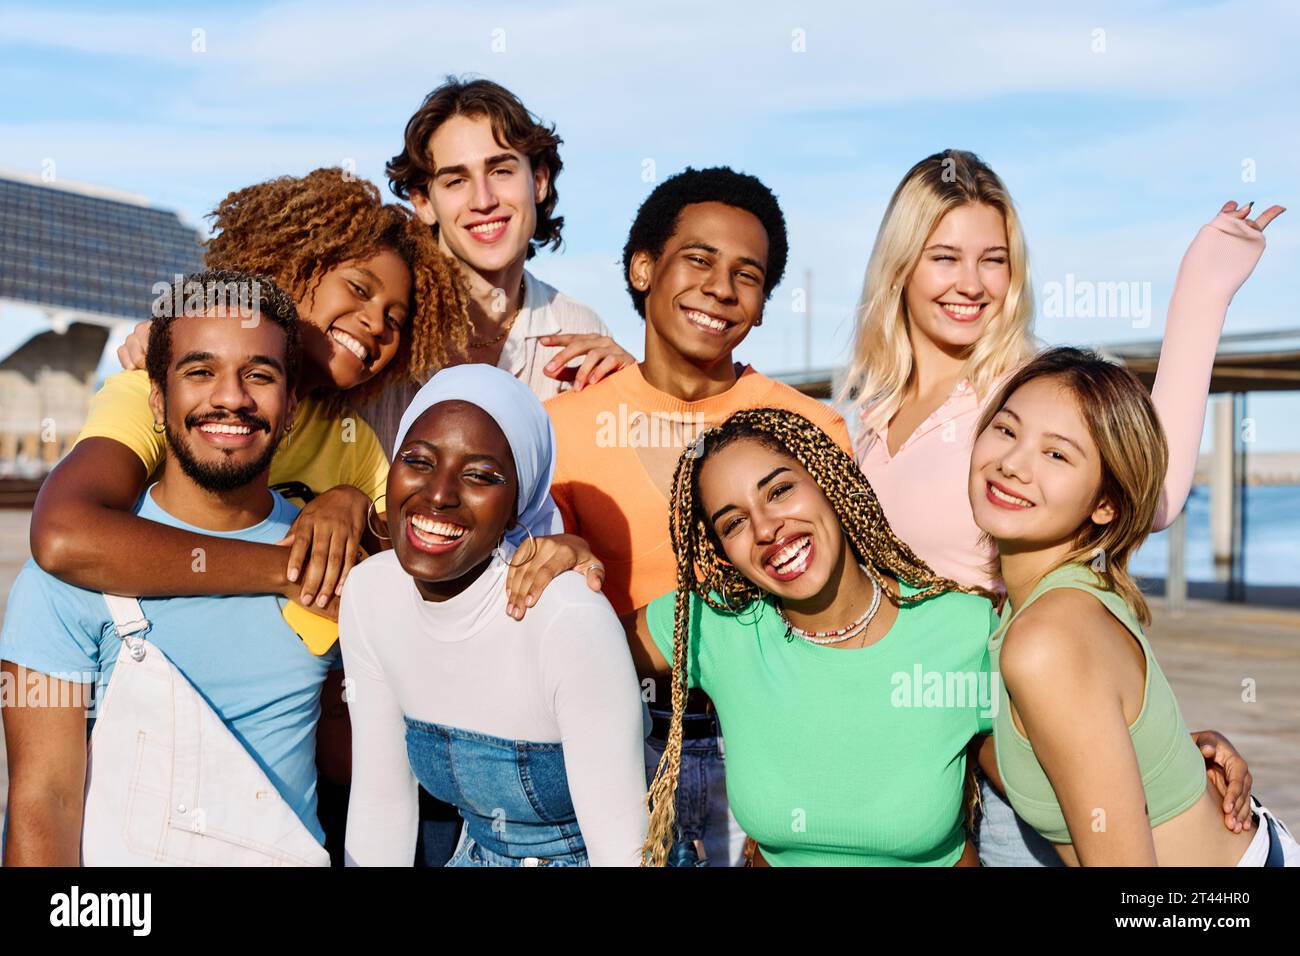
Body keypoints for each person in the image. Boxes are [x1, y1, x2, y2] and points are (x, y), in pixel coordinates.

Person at [841, 149, 1282, 864]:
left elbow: (1151, 487)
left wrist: (1202, 292)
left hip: (1024, 773)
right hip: (935, 760)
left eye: (995, 259)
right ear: (900, 266)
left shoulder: (1022, 389)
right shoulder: (872, 407)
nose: (973, 284)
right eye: (945, 257)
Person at [546, 166, 852, 866]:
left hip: (772, 737)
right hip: (618, 739)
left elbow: (842, 605)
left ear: (764, 303)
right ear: (643, 267)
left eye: (749, 274)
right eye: (699, 260)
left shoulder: (811, 429)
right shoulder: (558, 432)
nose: (722, 287)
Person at [1, 272, 343, 865]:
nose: (231, 397)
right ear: (157, 399)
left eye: (259, 375)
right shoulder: (68, 576)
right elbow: (44, 805)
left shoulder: (331, 553)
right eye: (200, 372)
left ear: (291, 407)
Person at [627, 407, 999, 866]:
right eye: (733, 523)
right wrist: (566, 561)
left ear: (829, 483)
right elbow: (578, 649)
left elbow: (1050, 797)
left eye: (780, 491)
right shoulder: (716, 624)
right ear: (723, 554)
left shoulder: (962, 628)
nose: (765, 529)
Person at [970, 348, 1297, 866]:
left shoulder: (1047, 636)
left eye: (1056, 454)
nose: (1012, 463)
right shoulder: (1069, 593)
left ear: (1107, 504)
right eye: (1007, 430)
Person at [340, 364, 647, 867]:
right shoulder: (370, 594)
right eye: (417, 461)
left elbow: (624, 851)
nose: (439, 494)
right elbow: (381, 804)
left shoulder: (565, 617)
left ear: (516, 507)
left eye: (480, 475)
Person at [365, 76, 637, 451]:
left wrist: (636, 393)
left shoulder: (579, 329)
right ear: (424, 202)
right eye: (456, 180)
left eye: (501, 171)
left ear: (539, 181)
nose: (483, 199)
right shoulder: (378, 320)